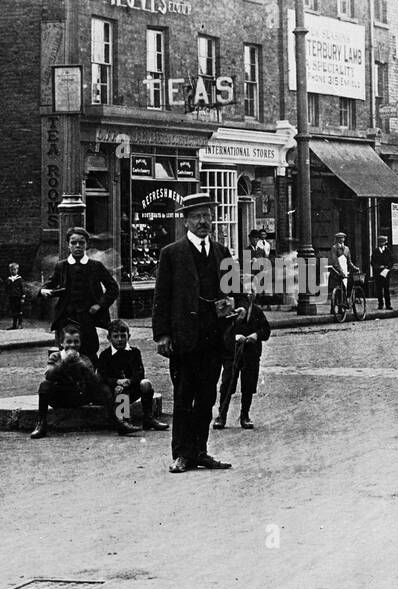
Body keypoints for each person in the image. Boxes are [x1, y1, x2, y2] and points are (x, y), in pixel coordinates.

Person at [152, 193, 236, 474]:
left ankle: (200, 451)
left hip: (213, 338)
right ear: (186, 221)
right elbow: (161, 297)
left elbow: (233, 289)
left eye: (207, 216)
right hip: (185, 339)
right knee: (184, 396)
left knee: (206, 398)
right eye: (197, 217)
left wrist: (237, 304)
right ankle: (182, 455)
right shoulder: (172, 254)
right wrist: (162, 335)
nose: (203, 221)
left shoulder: (222, 253)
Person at [30, 324, 137, 439]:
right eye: (69, 342)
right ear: (62, 343)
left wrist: (83, 366)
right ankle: (41, 424)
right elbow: (49, 375)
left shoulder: (84, 358)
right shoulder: (56, 357)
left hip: (79, 396)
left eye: (76, 342)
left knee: (104, 389)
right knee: (44, 385)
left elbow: (95, 382)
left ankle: (118, 423)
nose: (72, 345)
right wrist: (64, 362)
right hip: (61, 397)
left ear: (80, 343)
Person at [40, 226, 119, 360]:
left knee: (90, 350)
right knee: (67, 351)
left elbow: (113, 288)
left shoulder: (95, 266)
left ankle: (90, 378)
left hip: (87, 317)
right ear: (68, 245)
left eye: (81, 243)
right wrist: (43, 290)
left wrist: (100, 305)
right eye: (73, 243)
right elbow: (51, 283)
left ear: (87, 245)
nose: (77, 246)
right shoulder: (62, 266)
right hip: (67, 317)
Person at [97, 319, 169, 431]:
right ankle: (123, 422)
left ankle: (148, 418)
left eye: (123, 336)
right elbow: (103, 376)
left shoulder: (134, 352)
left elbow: (139, 373)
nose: (120, 340)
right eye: (116, 336)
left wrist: (128, 382)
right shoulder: (105, 355)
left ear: (128, 336)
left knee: (146, 383)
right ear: (109, 338)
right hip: (115, 392)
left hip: (131, 387)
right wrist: (117, 382)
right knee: (121, 391)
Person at [214, 293, 271, 430]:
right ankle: (222, 416)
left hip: (251, 354)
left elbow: (266, 330)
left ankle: (245, 416)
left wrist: (256, 335)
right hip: (231, 354)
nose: (249, 294)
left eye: (252, 291)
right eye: (246, 291)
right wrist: (234, 336)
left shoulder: (257, 311)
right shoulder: (231, 311)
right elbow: (222, 330)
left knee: (248, 385)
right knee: (227, 383)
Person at [328, 231, 355, 305]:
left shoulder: (347, 249)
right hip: (337, 271)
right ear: (337, 239)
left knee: (345, 288)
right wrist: (339, 270)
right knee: (337, 289)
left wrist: (354, 267)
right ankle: (334, 307)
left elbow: (349, 261)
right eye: (339, 238)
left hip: (345, 269)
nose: (341, 239)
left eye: (343, 238)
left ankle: (342, 306)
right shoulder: (334, 248)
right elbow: (334, 261)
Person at [371, 235, 394, 310]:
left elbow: (391, 260)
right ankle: (380, 304)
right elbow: (372, 262)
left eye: (383, 242)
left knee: (386, 289)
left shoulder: (388, 250)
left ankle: (388, 304)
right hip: (378, 272)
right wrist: (378, 266)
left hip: (386, 272)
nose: (382, 244)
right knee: (379, 289)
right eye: (380, 242)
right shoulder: (375, 251)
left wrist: (388, 267)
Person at [5, 262, 26, 329]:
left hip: (18, 297)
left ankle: (20, 324)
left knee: (19, 311)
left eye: (14, 269)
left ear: (17, 270)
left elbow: (22, 289)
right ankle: (14, 325)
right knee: (13, 311)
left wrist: (23, 297)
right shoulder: (8, 279)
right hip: (12, 297)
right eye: (11, 269)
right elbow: (7, 288)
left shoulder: (20, 279)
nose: (13, 271)